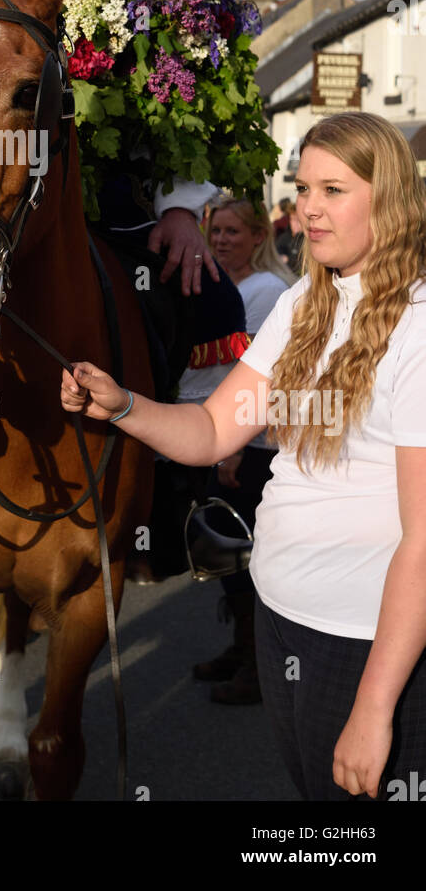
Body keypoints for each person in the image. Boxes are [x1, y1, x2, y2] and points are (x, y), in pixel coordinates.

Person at [62, 112, 426, 801]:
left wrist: (374, 707)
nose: (309, 208)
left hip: (364, 642)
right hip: (283, 618)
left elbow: (424, 540)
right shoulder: (300, 305)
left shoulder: (418, 326)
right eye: (302, 187)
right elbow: (209, 430)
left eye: (332, 190)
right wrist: (123, 406)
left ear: (391, 200)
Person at [194, 197, 295, 703]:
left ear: (259, 237)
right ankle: (241, 649)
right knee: (227, 556)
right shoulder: (225, 287)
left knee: (246, 557)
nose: (222, 239)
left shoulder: (266, 290)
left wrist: (236, 448)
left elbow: (257, 380)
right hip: (227, 436)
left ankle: (260, 670)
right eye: (217, 231)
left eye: (234, 231)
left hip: (254, 444)